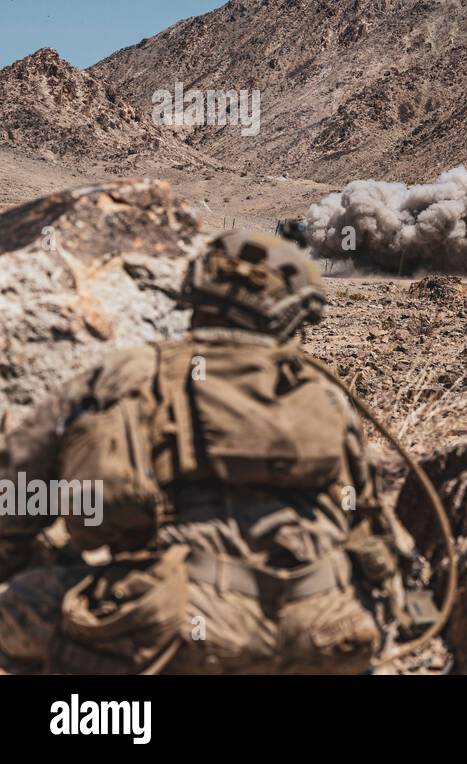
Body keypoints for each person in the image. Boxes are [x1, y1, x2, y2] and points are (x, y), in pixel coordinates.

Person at [0, 231, 442, 674]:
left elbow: (16, 491)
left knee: (24, 602)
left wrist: (32, 554)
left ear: (195, 292)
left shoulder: (131, 375)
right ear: (291, 315)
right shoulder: (324, 395)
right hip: (326, 631)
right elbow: (368, 525)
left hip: (185, 627)